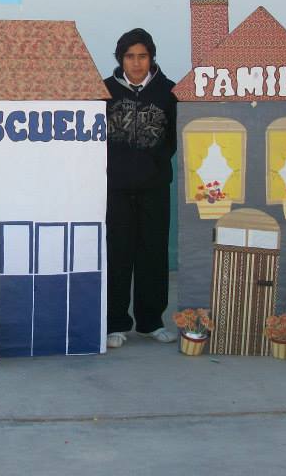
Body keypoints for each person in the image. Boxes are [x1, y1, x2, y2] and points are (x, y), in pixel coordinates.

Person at [103, 28, 178, 349]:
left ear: (152, 58)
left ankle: (150, 322)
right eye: (130, 57)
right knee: (117, 255)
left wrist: (153, 166)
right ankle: (115, 322)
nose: (136, 63)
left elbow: (174, 139)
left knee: (153, 254)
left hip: (154, 188)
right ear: (121, 59)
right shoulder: (104, 91)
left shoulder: (169, 92)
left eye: (143, 56)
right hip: (114, 188)